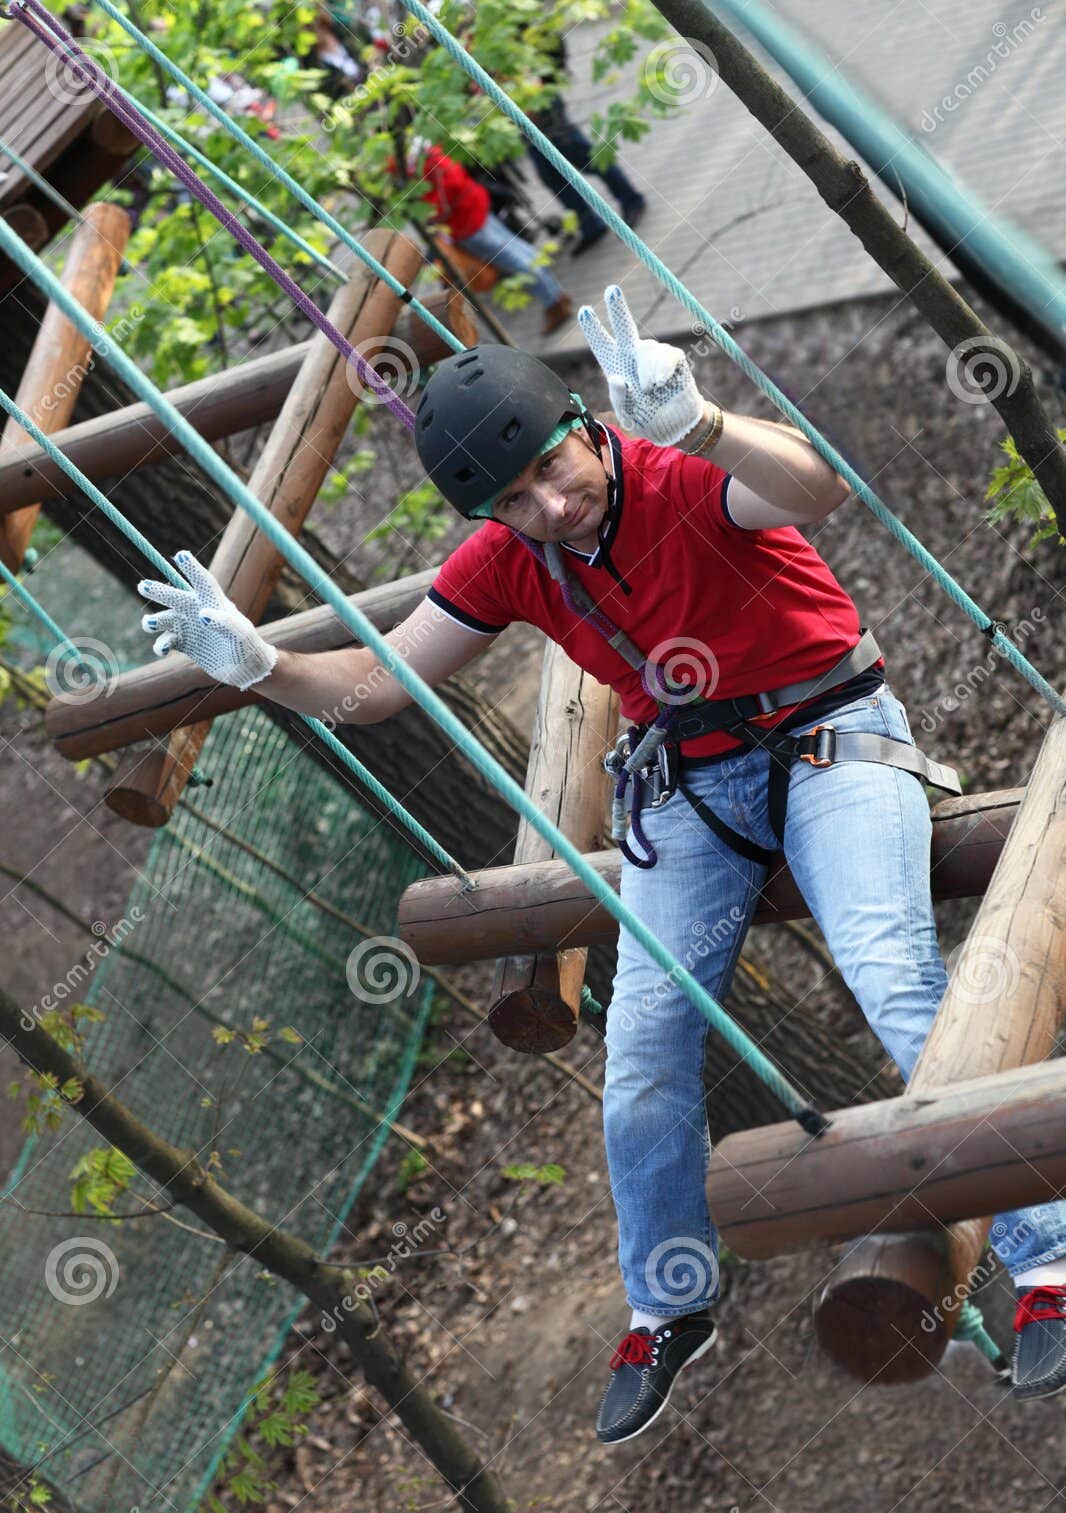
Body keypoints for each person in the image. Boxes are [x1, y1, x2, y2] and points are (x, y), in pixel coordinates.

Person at [136, 287, 1066, 1441]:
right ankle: (670, 1303)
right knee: (640, 1050)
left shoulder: (675, 468)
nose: (549, 504)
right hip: (690, 785)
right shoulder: (513, 555)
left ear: (586, 420)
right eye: (515, 500)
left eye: (552, 469)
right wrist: (263, 664)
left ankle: (1048, 1259)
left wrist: (703, 422)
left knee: (889, 967)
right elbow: (379, 686)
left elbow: (812, 489)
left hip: (829, 737)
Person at [406, 137, 572, 334]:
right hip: (477, 211)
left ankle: (553, 302)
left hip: (468, 224)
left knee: (516, 261)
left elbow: (439, 206)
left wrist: (425, 215)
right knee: (520, 251)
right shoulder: (438, 155)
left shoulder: (429, 170)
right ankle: (555, 294)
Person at [524, 32, 647, 255]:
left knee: (584, 155)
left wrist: (541, 88)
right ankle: (590, 225)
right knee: (551, 176)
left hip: (541, 105)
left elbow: (547, 47)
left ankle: (631, 199)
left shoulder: (501, 22)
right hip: (521, 122)